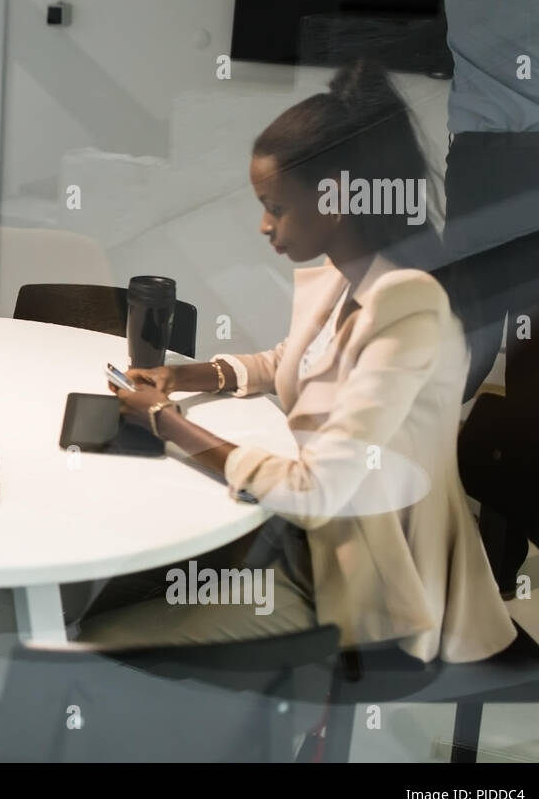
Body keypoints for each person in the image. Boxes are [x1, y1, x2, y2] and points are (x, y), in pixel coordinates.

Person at [76, 59, 516, 664]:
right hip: (300, 544)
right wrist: (189, 375)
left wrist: (165, 421)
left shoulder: (410, 308)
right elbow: (294, 360)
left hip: (359, 589)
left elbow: (319, 489)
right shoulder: (346, 279)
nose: (263, 225)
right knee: (101, 591)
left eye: (275, 207)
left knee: (96, 641)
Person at [440, 0, 539, 592]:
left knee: (456, 348)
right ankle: (496, 567)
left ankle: (374, 520)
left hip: (482, 158)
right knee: (535, 378)